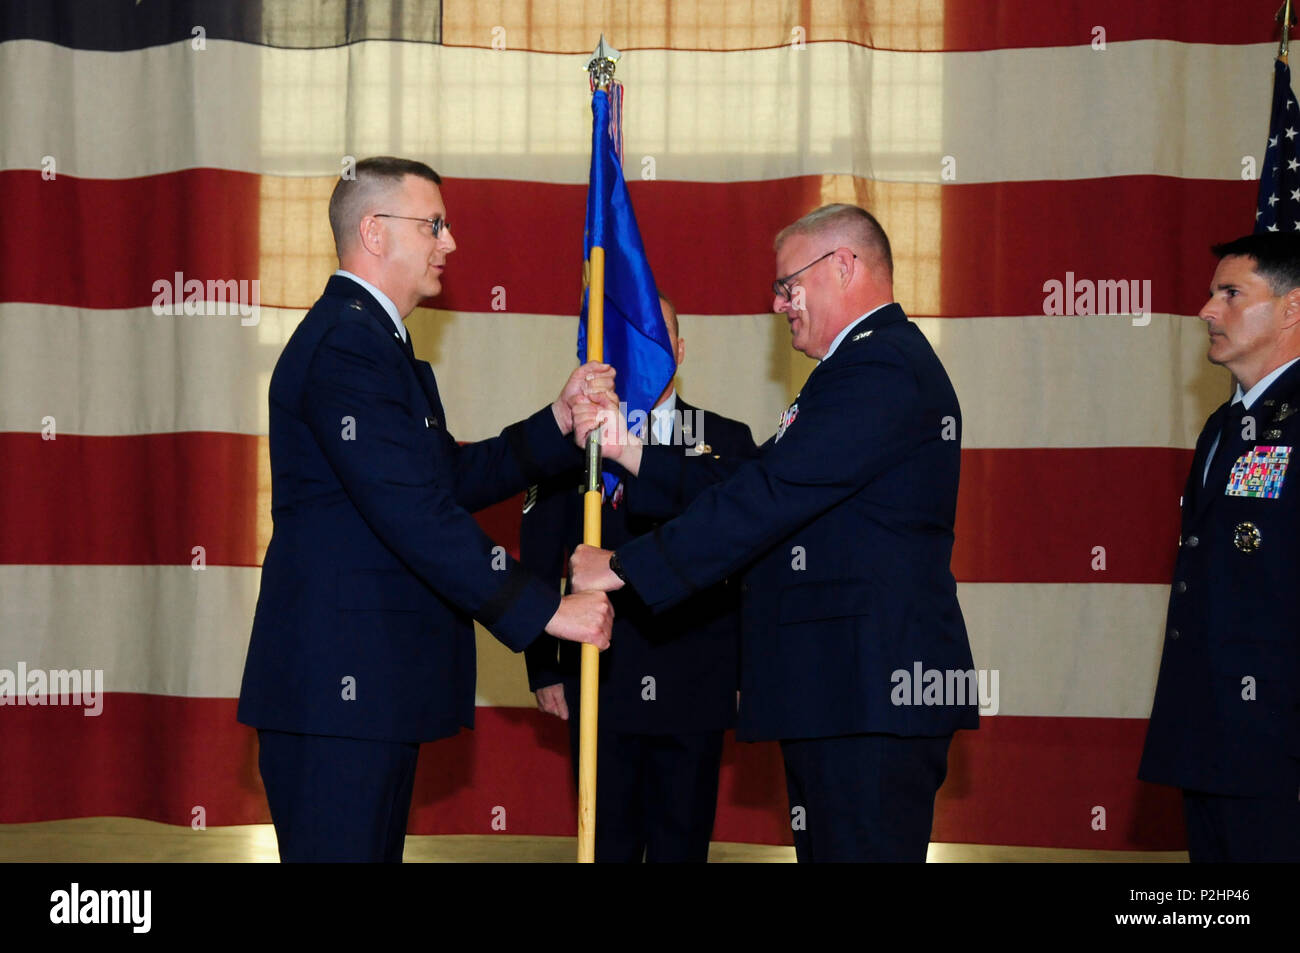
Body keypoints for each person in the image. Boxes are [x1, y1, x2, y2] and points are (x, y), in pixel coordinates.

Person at [569, 204, 978, 862]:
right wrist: (630, 451)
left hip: (868, 694)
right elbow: (758, 479)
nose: (782, 304)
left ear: (844, 265)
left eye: (789, 285)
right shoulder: (850, 372)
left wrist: (624, 565)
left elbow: (768, 496)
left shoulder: (881, 369)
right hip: (842, 692)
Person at [237, 156, 615, 862]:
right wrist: (545, 612)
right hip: (336, 692)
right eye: (434, 224)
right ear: (375, 232)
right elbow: (413, 512)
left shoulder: (372, 340)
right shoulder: (349, 344)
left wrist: (557, 425)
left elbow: (443, 477)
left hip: (362, 689)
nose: (451, 242)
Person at [521, 294, 758, 862]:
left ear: (678, 350)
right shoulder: (575, 442)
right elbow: (539, 556)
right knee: (606, 844)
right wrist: (542, 664)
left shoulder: (726, 442)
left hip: (696, 678)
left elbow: (747, 564)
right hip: (601, 678)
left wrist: (752, 668)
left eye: (657, 340)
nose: (645, 354)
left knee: (682, 843)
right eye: (630, 343)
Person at [1139, 232, 1300, 862]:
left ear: (1292, 308)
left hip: (1278, 736)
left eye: (1231, 294)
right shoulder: (1222, 426)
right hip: (1213, 731)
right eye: (1212, 294)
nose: (1207, 310)